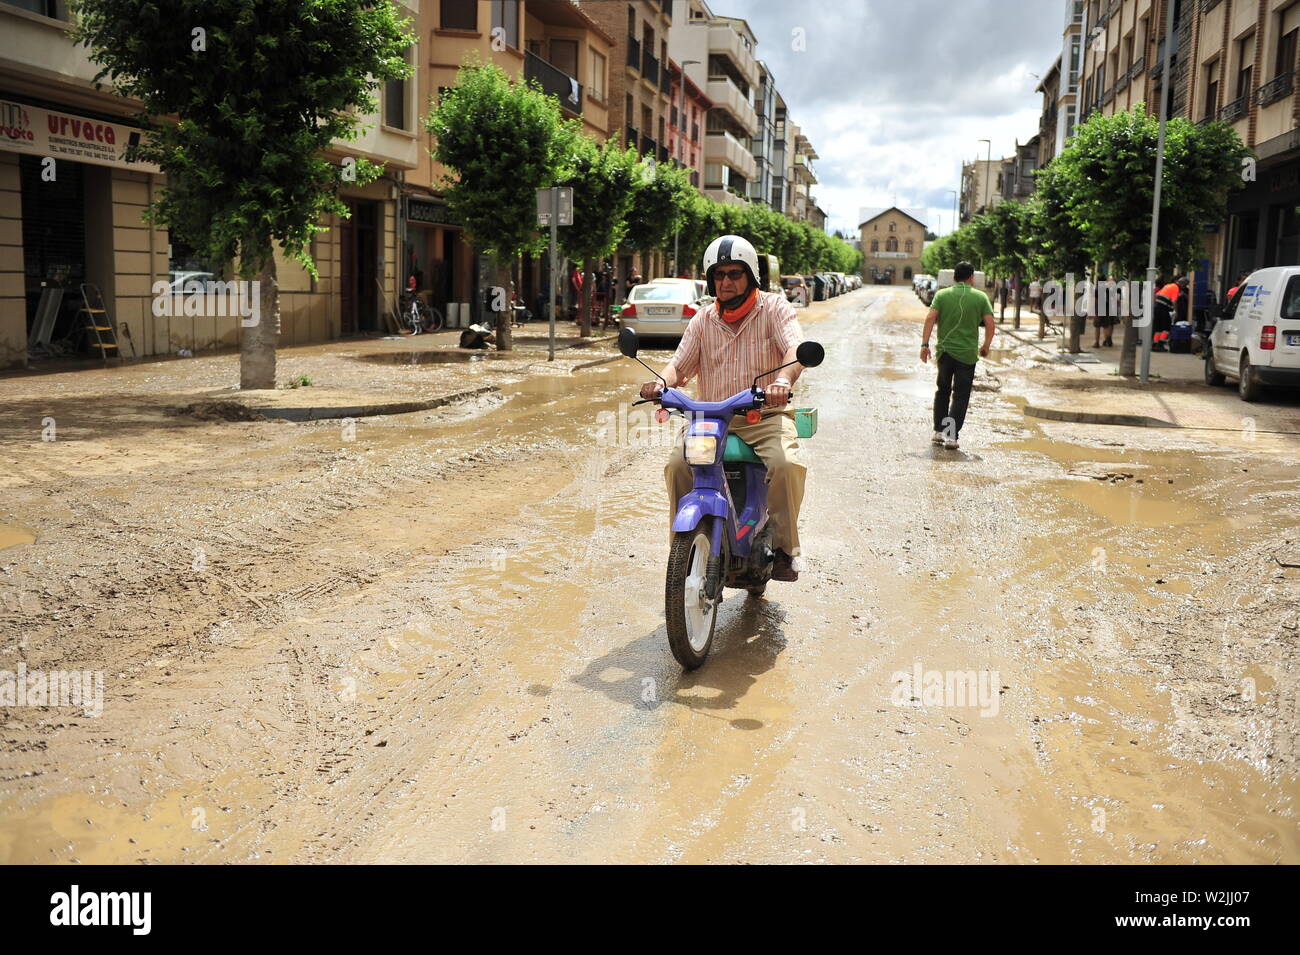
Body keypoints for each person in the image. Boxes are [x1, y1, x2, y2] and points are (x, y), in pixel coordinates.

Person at [641, 235, 808, 582]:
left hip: (763, 416)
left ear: (751, 276)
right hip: (710, 418)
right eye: (719, 275)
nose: (727, 282)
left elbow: (795, 349)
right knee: (676, 466)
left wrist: (783, 382)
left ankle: (783, 549)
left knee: (787, 464)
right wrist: (662, 383)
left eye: (735, 273)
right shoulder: (702, 319)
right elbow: (679, 365)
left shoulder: (775, 308)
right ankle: (683, 549)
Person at [921, 261, 995, 451]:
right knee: (960, 395)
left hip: (945, 352)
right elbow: (990, 324)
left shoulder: (942, 295)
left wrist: (925, 345)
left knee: (942, 390)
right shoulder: (980, 297)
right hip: (967, 355)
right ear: (972, 277)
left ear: (954, 277)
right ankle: (951, 436)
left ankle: (938, 431)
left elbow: (930, 317)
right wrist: (986, 345)